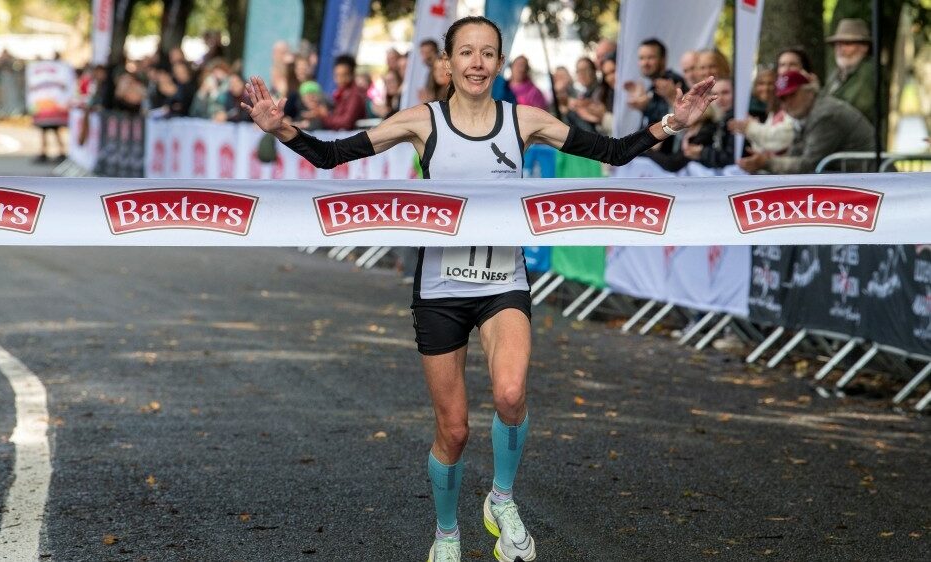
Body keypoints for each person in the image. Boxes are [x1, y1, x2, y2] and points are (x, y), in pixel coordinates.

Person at [241, 15, 715, 561]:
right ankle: (447, 533)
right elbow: (333, 155)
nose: (476, 63)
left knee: (511, 395)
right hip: (440, 289)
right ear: (447, 63)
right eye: (466, 52)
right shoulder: (421, 121)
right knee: (455, 431)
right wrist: (282, 129)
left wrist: (673, 122)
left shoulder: (523, 119)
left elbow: (611, 151)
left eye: (488, 53)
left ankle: (502, 499)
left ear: (499, 62)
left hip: (502, 283)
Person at [737, 70, 874, 174]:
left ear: (809, 91)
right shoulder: (806, 114)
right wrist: (765, 161)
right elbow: (795, 155)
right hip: (853, 177)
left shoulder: (824, 115)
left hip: (866, 180)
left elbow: (809, 165)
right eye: (783, 98)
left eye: (792, 95)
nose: (787, 103)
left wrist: (766, 163)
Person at [824, 18, 876, 126]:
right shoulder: (836, 74)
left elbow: (858, 108)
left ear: (864, 47)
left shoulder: (869, 72)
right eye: (837, 44)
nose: (840, 49)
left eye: (847, 44)